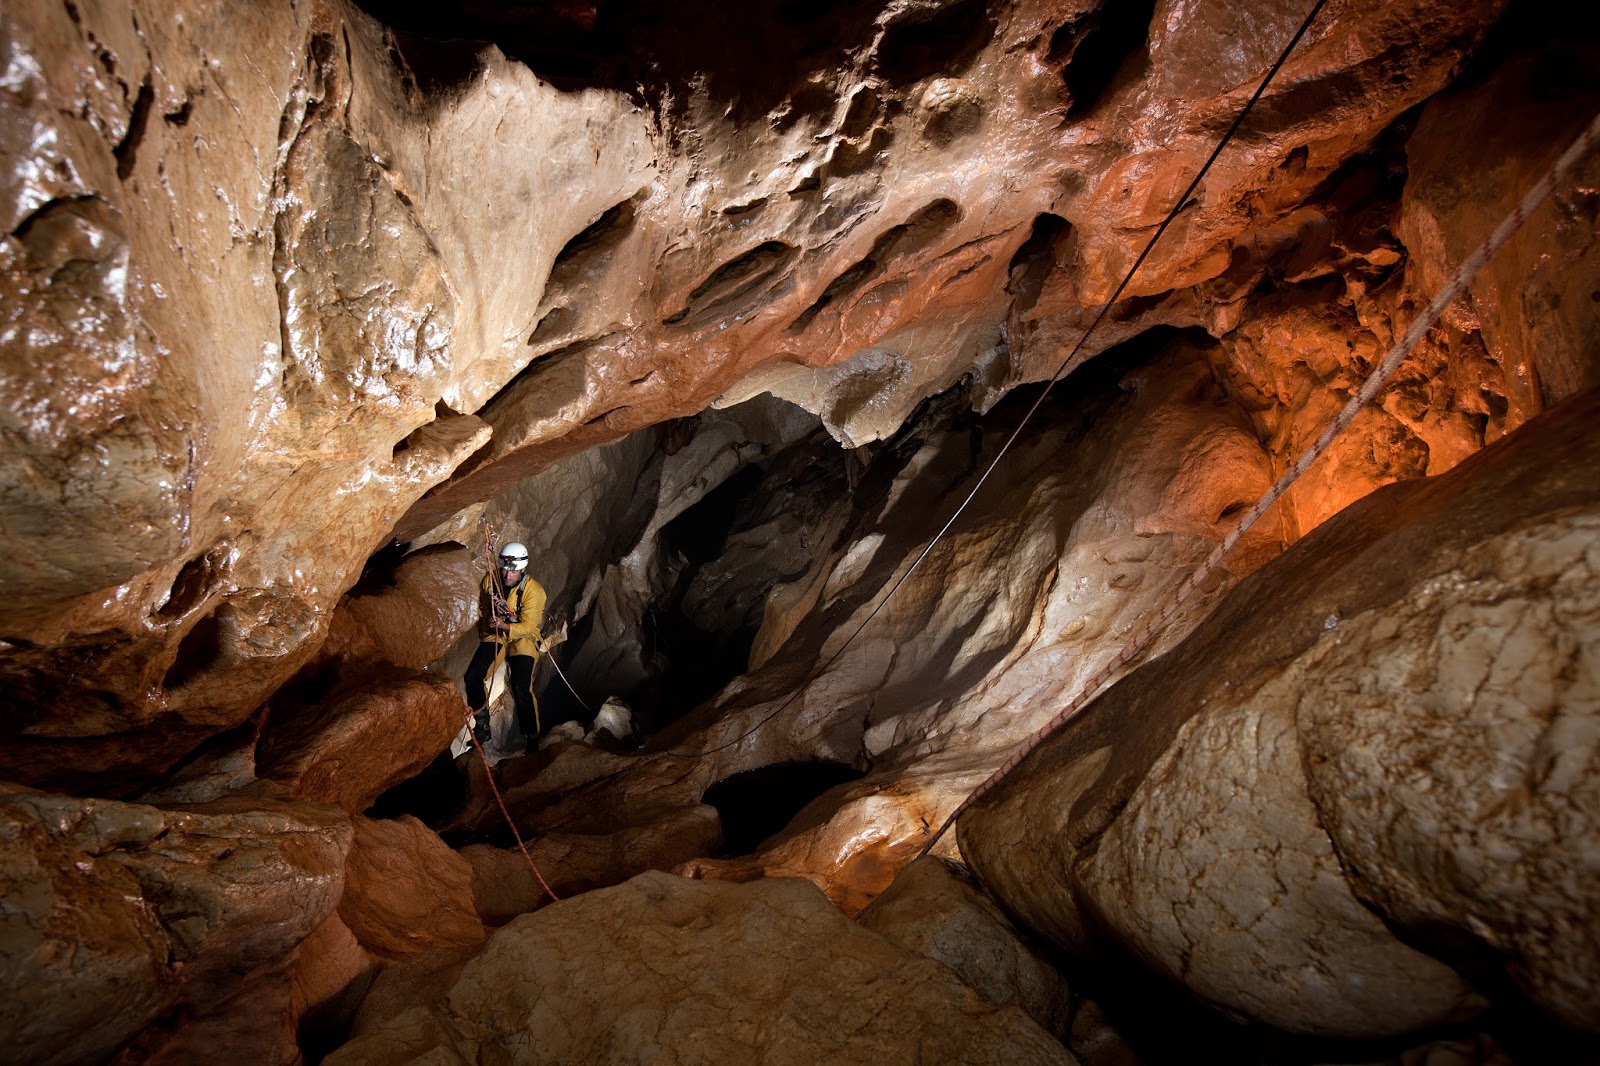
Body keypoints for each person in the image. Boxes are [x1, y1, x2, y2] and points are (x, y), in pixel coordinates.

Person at [463, 541, 547, 747]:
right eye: (505, 570)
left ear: (523, 569)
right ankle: (482, 726)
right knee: (473, 676)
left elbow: (528, 626)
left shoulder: (533, 591)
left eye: (513, 572)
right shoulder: (490, 581)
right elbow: (483, 605)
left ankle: (531, 737)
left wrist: (505, 625)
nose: (508, 576)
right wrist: (488, 628)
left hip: (522, 637)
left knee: (520, 685)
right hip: (497, 634)